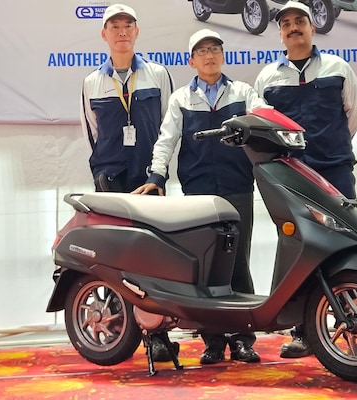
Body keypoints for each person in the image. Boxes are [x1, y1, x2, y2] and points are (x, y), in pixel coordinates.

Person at [133, 28, 268, 365]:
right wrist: (156, 175)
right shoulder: (181, 98)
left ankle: (243, 340)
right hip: (198, 194)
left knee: (238, 264)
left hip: (237, 188)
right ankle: (213, 342)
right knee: (207, 268)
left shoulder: (243, 93)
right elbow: (166, 140)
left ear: (223, 56)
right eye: (202, 51)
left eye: (215, 50)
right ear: (192, 61)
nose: (210, 56)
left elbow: (265, 120)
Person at [254, 1, 357, 358]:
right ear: (280, 34)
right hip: (292, 179)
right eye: (285, 23)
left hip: (335, 173)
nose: (293, 27)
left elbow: (353, 115)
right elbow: (263, 127)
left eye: (299, 20)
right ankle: (303, 332)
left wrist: (329, 150)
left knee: (348, 246)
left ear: (313, 27)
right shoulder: (267, 78)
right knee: (300, 249)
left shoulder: (338, 68)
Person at [80, 3, 175, 360]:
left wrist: (158, 174)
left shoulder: (157, 74)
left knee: (154, 259)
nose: (121, 32)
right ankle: (120, 329)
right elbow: (91, 134)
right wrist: (102, 175)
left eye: (128, 25)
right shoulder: (92, 82)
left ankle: (158, 335)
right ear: (104, 34)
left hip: (148, 180)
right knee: (114, 260)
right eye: (114, 26)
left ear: (136, 32)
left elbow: (167, 129)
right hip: (112, 184)